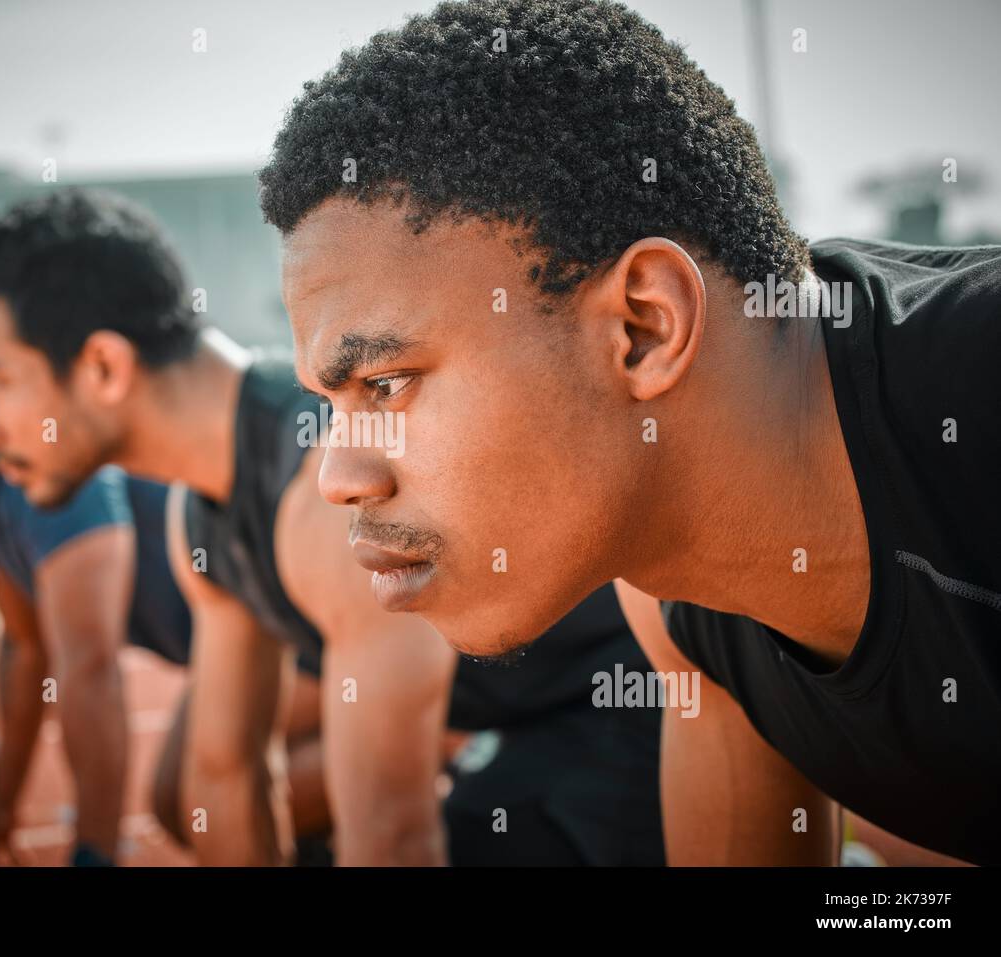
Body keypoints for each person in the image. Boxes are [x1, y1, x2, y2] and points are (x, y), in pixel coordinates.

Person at [261, 0, 1000, 864]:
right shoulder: (671, 590)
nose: (338, 477)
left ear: (643, 326)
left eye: (385, 383)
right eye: (329, 401)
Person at [0, 189, 665, 865]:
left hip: (634, 705)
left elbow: (393, 833)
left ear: (102, 365)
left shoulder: (327, 484)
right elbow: (227, 776)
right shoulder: (202, 511)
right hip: (519, 723)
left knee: (463, 835)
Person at [0, 319, 327, 865]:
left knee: (197, 798)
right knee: (178, 801)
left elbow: (88, 665)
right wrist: (0, 806)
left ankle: (426, 758)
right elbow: (25, 647)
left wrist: (94, 853)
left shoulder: (41, 474)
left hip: (301, 615)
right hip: (247, 626)